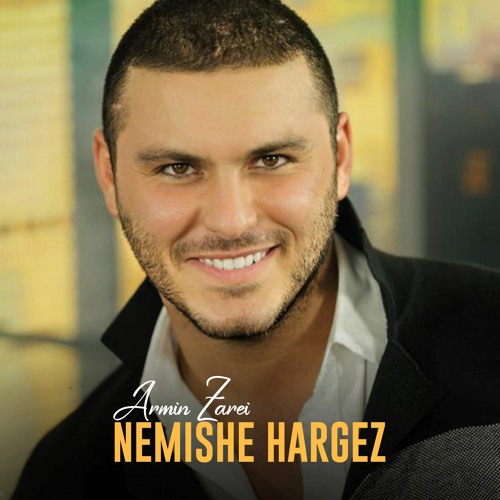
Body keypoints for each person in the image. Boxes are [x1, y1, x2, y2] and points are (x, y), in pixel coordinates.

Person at [12, 0, 500, 499]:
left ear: (340, 156)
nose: (231, 221)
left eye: (272, 160)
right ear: (109, 175)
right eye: (177, 168)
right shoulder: (63, 477)